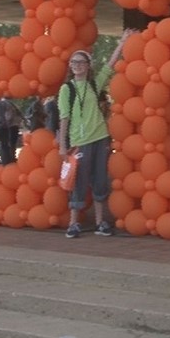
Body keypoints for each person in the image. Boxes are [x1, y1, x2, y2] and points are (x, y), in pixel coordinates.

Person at [58, 29, 137, 238]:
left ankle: (100, 222)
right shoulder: (67, 89)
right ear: (70, 66)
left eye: (81, 62)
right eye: (74, 62)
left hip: (100, 139)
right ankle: (74, 223)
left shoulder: (94, 84)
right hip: (79, 141)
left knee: (100, 180)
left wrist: (122, 43)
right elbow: (64, 117)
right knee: (79, 180)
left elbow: (110, 65)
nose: (77, 65)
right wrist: (62, 145)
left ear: (88, 66)